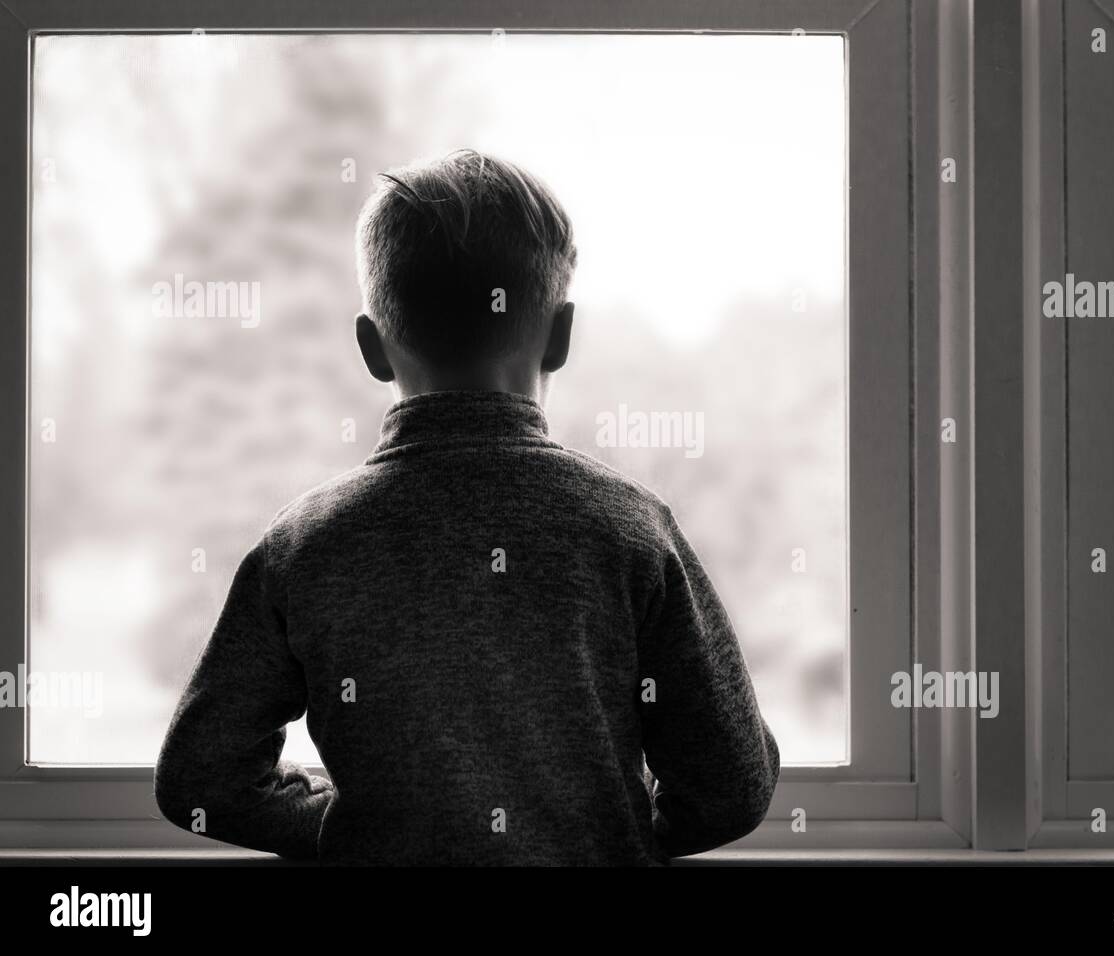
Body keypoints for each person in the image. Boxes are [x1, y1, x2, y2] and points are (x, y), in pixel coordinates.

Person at [154, 149, 780, 865]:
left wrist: (350, 826)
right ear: (562, 334)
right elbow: (732, 785)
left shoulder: (308, 545)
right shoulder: (631, 531)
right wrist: (608, 832)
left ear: (372, 348)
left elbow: (201, 778)